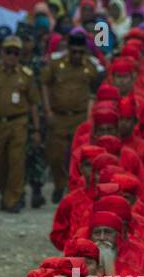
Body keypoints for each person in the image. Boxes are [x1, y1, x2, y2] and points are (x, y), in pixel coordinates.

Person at [41, 32, 102, 202]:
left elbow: (95, 90)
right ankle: (60, 184)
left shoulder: (90, 67)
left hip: (80, 117)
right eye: (73, 52)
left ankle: (74, 188)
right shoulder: (56, 65)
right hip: (58, 116)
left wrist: (91, 116)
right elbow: (45, 84)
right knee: (55, 156)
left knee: (79, 157)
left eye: (80, 52)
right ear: (68, 50)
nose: (77, 55)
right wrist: (47, 111)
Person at [0, 34, 42, 213]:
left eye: (15, 53)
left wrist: (37, 129)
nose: (11, 56)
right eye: (8, 51)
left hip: (18, 122)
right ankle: (6, 193)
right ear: (1, 52)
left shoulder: (26, 75)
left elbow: (33, 103)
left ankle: (13, 199)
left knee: (16, 161)